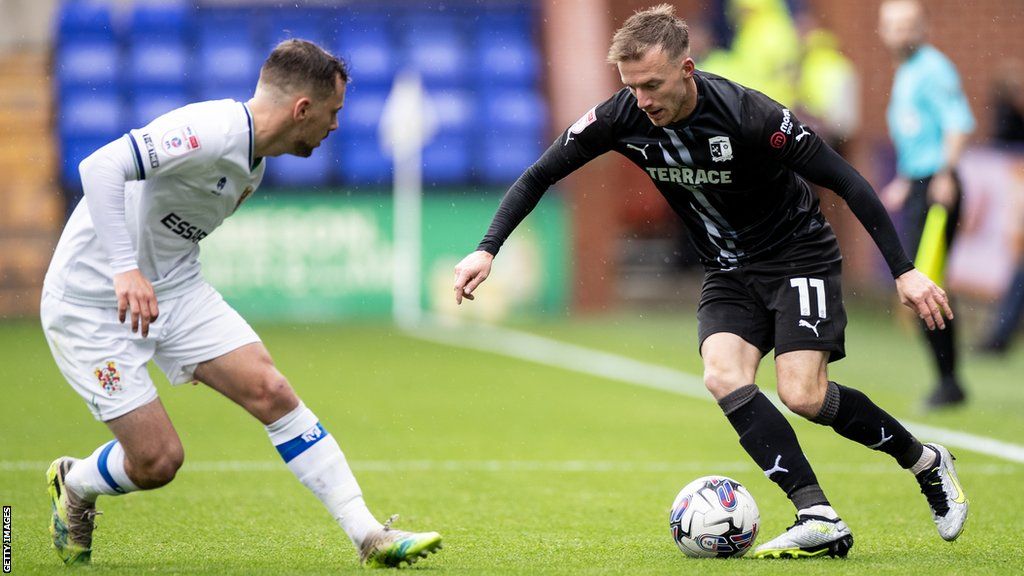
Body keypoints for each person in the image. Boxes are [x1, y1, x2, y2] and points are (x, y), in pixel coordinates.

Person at [453, 4, 967, 559]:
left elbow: (845, 179)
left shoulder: (751, 116)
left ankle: (925, 462)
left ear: (687, 69)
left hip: (797, 256)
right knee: (722, 375)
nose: (642, 99)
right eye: (631, 86)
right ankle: (817, 513)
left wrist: (905, 270)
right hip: (727, 268)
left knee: (803, 394)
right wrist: (487, 249)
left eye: (652, 84)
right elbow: (539, 174)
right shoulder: (620, 116)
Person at [42, 39, 441, 568]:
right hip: (91, 302)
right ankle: (76, 482)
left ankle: (369, 535)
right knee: (158, 461)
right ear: (303, 109)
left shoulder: (254, 164)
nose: (335, 126)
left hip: (174, 289)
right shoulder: (210, 131)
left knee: (271, 390)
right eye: (333, 112)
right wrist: (124, 268)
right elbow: (99, 166)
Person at [878, 0, 974, 409]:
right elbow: (919, 132)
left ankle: (949, 381)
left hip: (937, 185)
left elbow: (957, 122)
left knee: (925, 286)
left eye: (908, 26)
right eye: (893, 26)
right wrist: (904, 178)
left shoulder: (933, 69)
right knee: (925, 286)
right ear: (883, 32)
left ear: (922, 28)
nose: (901, 33)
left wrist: (945, 174)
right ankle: (948, 380)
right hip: (920, 181)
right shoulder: (906, 73)